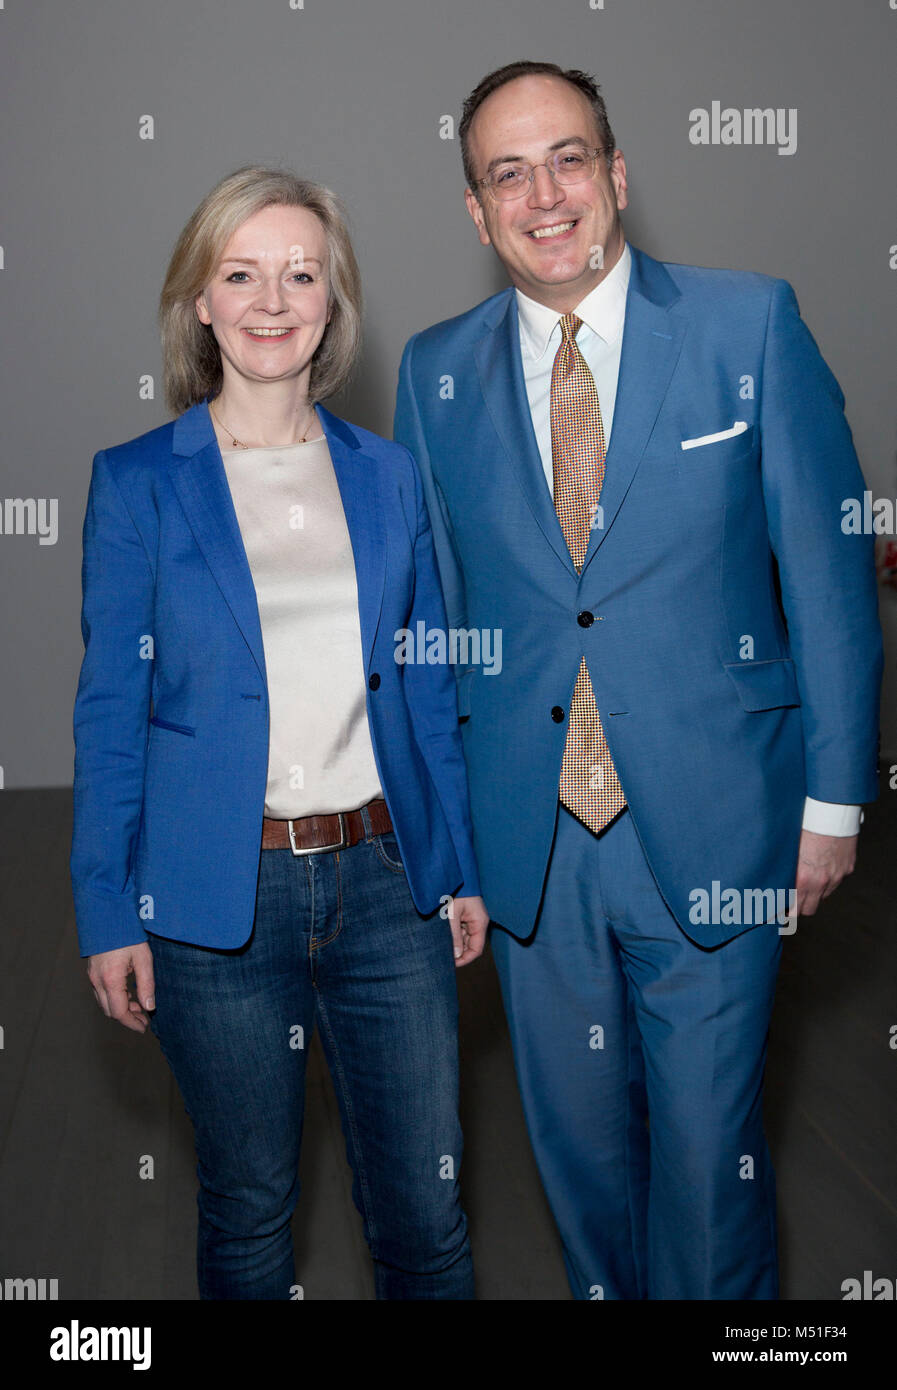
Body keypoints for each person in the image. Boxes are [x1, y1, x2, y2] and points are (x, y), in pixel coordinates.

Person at [394, 60, 883, 1300]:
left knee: (711, 1167)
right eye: (507, 172)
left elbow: (827, 578)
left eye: (567, 158)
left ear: (617, 174)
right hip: (531, 847)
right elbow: (436, 619)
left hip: (720, 823)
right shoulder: (432, 372)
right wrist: (447, 840)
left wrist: (835, 803)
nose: (542, 193)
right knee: (579, 1165)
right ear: (474, 208)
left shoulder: (747, 323)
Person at [71, 165, 488, 1301]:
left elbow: (427, 684)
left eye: (301, 272)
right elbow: (111, 713)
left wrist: (455, 864)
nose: (272, 299)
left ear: (332, 300)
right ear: (199, 302)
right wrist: (108, 905)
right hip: (215, 909)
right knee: (250, 1210)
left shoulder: (391, 475)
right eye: (240, 273)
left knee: (425, 1210)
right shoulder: (139, 485)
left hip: (388, 889)